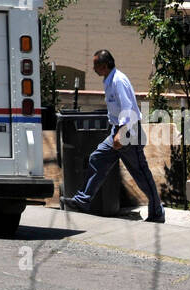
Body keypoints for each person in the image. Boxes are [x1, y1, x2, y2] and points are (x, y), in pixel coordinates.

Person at [61, 49, 165, 222]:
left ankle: (157, 212)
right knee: (97, 158)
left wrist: (121, 133)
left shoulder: (118, 81)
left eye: (96, 65)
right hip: (117, 131)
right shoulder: (109, 80)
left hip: (128, 132)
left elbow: (128, 108)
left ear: (104, 65)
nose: (93, 68)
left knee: (141, 175)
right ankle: (83, 200)